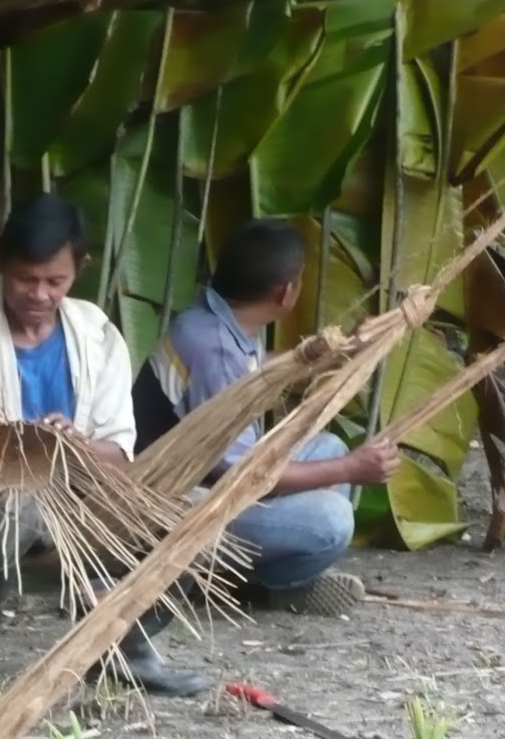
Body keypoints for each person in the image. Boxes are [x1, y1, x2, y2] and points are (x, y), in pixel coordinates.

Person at [0, 193, 208, 714]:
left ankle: (131, 645)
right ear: (2, 265)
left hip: (81, 502)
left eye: (55, 281)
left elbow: (120, 451)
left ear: (79, 270)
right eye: (26, 279)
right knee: (9, 503)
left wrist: (80, 447)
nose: (39, 294)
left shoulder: (97, 334)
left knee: (197, 508)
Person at [150, 218, 399, 617]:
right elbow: (245, 475)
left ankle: (256, 578)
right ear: (286, 292)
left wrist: (331, 354)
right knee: (332, 519)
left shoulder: (216, 322)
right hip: (179, 505)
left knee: (330, 448)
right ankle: (254, 588)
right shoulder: (213, 350)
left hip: (212, 481)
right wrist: (351, 469)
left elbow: (251, 370)